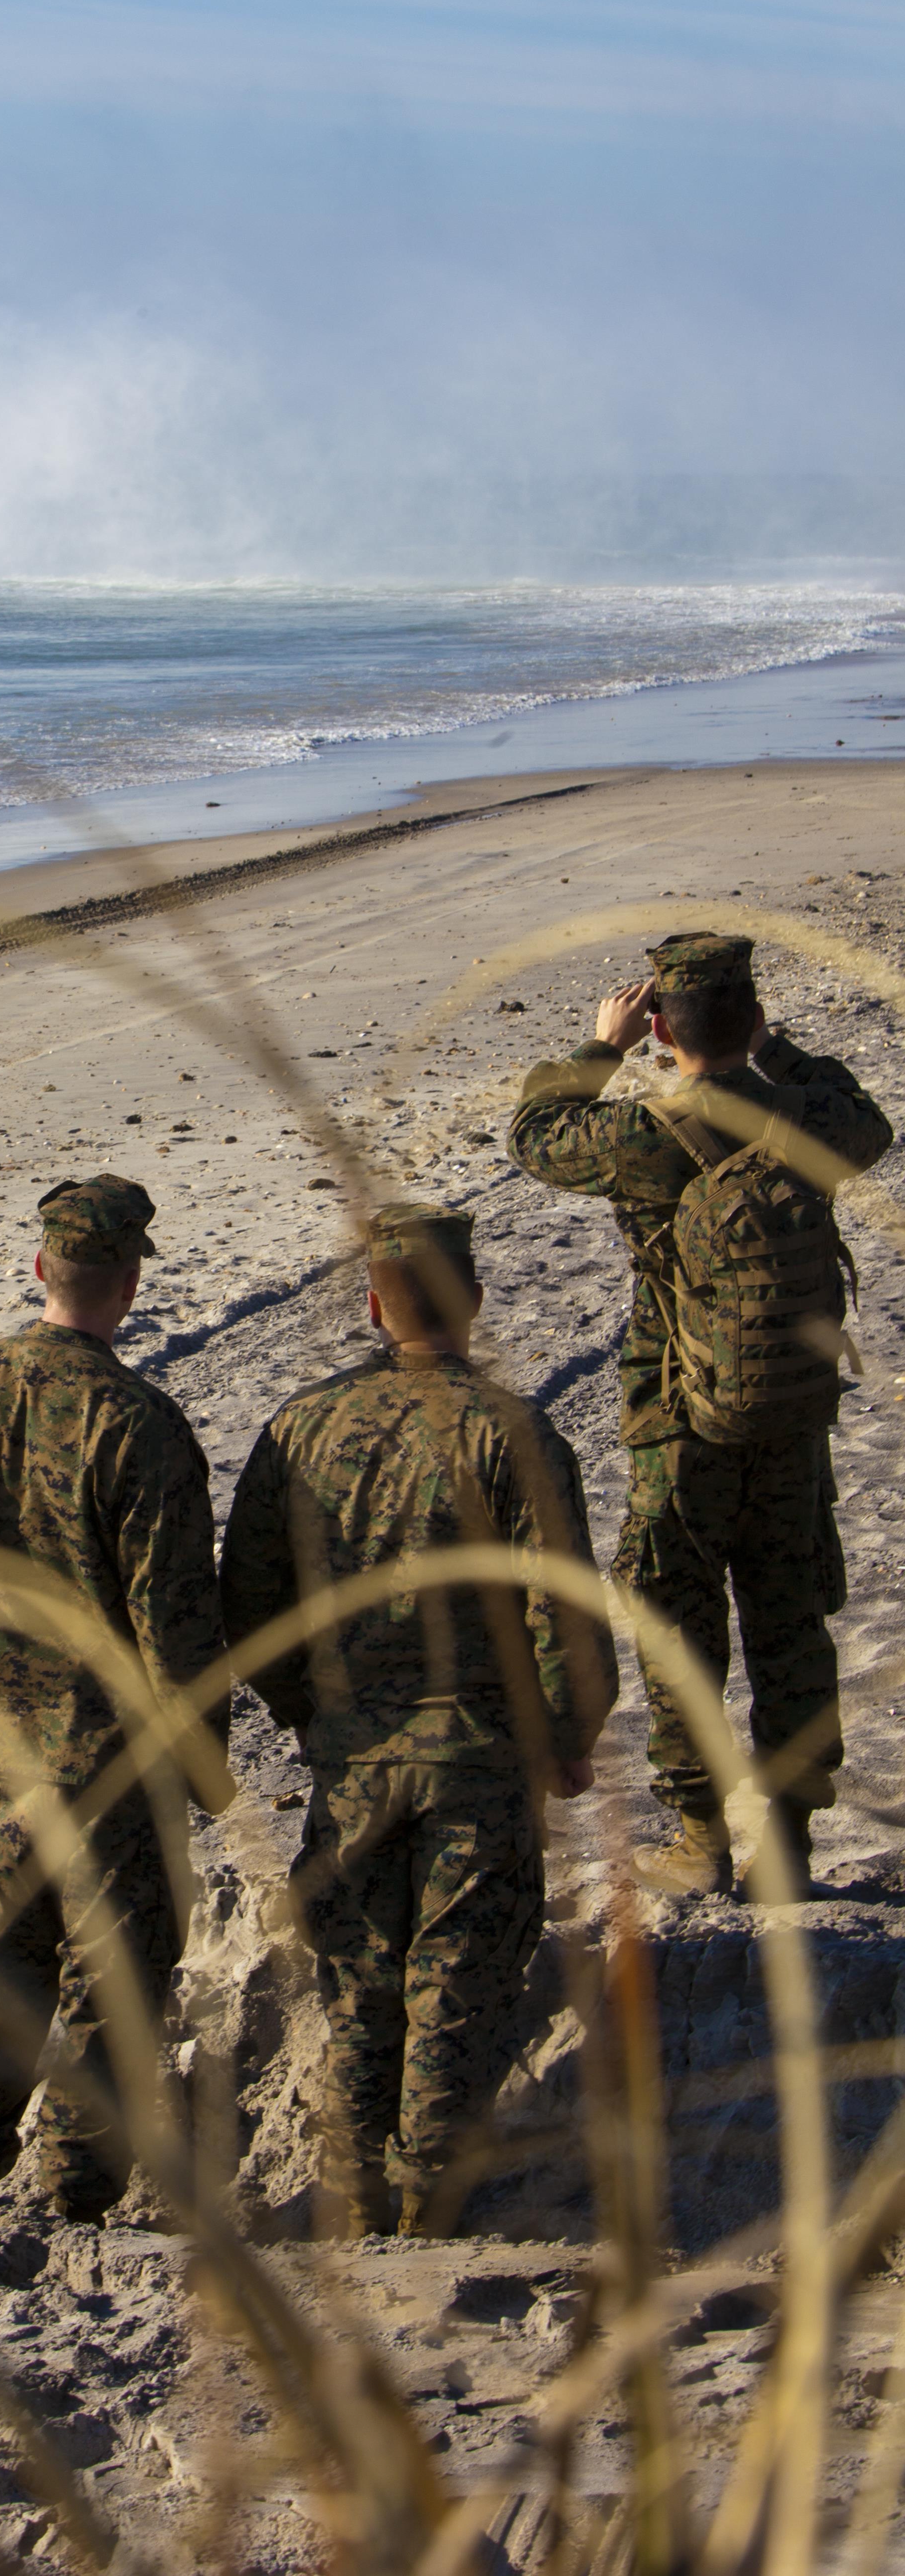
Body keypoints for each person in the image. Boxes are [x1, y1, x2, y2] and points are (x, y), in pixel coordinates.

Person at [219, 1204, 615, 2238]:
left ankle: (361, 2185)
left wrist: (314, 1710)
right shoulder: (509, 1433)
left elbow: (249, 1602)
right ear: (474, 1303)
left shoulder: (302, 1427)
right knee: (458, 1982)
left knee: (360, 1977)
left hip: (353, 1758)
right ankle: (430, 2201)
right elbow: (561, 1611)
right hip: (477, 1761)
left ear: (372, 1307)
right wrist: (567, 1738)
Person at [508, 933, 893, 1900]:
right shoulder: (809, 1119)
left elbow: (535, 1136)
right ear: (753, 1020)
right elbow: (873, 1121)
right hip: (789, 1415)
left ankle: (698, 1838)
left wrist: (602, 1050)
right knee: (790, 1616)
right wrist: (779, 1053)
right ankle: (794, 1842)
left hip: (677, 1417)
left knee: (682, 1631)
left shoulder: (642, 1138)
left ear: (662, 1034)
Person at [0, 1173, 226, 2222]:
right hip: (113, 1761)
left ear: (41, 1269)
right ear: (128, 1286)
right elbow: (175, 1622)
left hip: (0, 1749)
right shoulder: (139, 1424)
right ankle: (79, 2195)